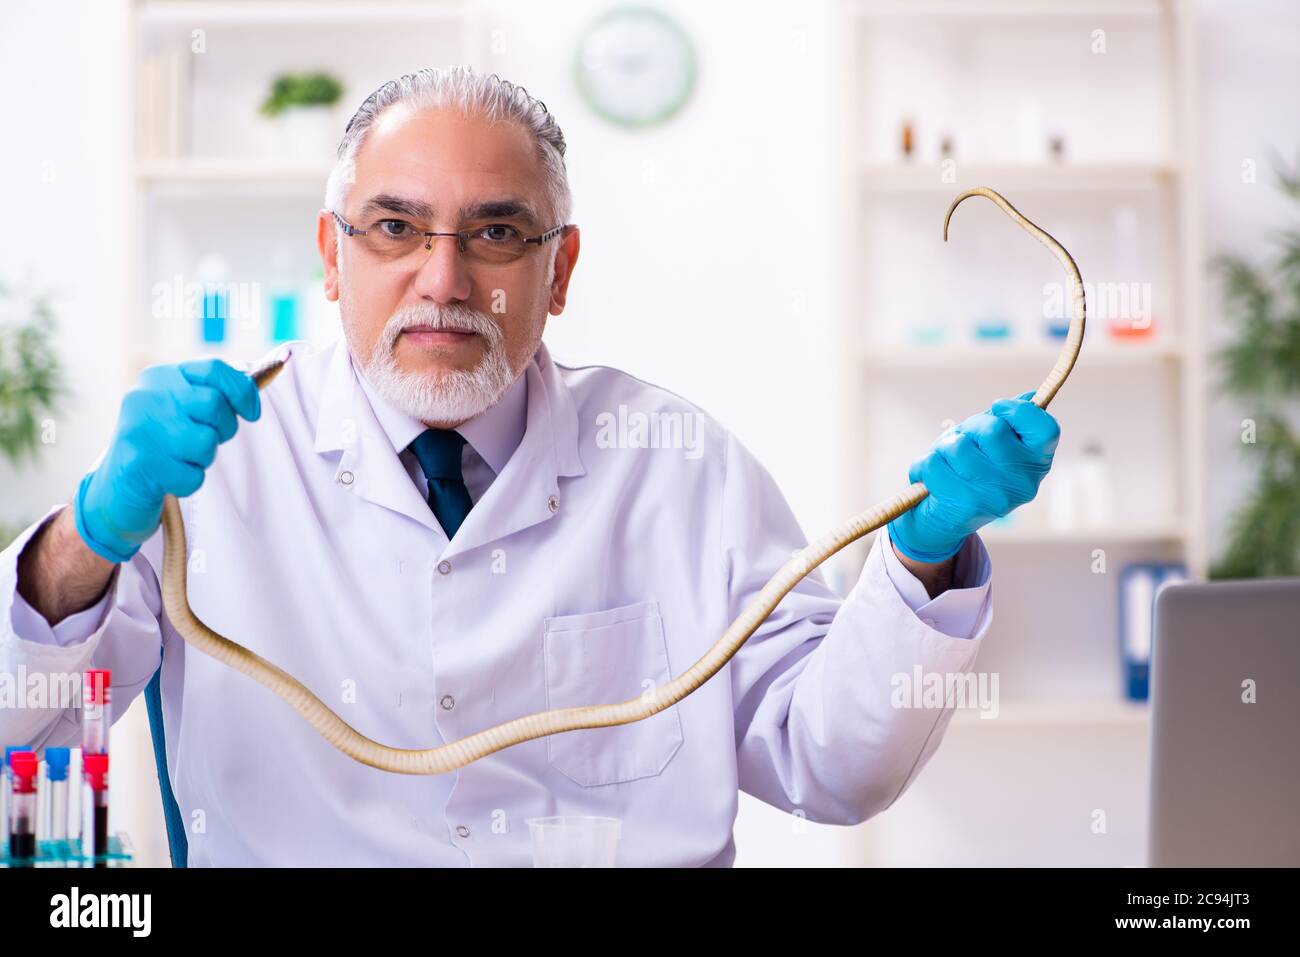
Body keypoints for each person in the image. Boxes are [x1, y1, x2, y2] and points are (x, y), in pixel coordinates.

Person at [0, 66, 1059, 866]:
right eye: (394, 227)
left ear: (560, 270)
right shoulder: (211, 474)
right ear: (331, 257)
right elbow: (22, 731)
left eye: (497, 232)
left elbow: (834, 768)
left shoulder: (677, 468)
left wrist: (918, 559)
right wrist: (86, 539)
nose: (442, 276)